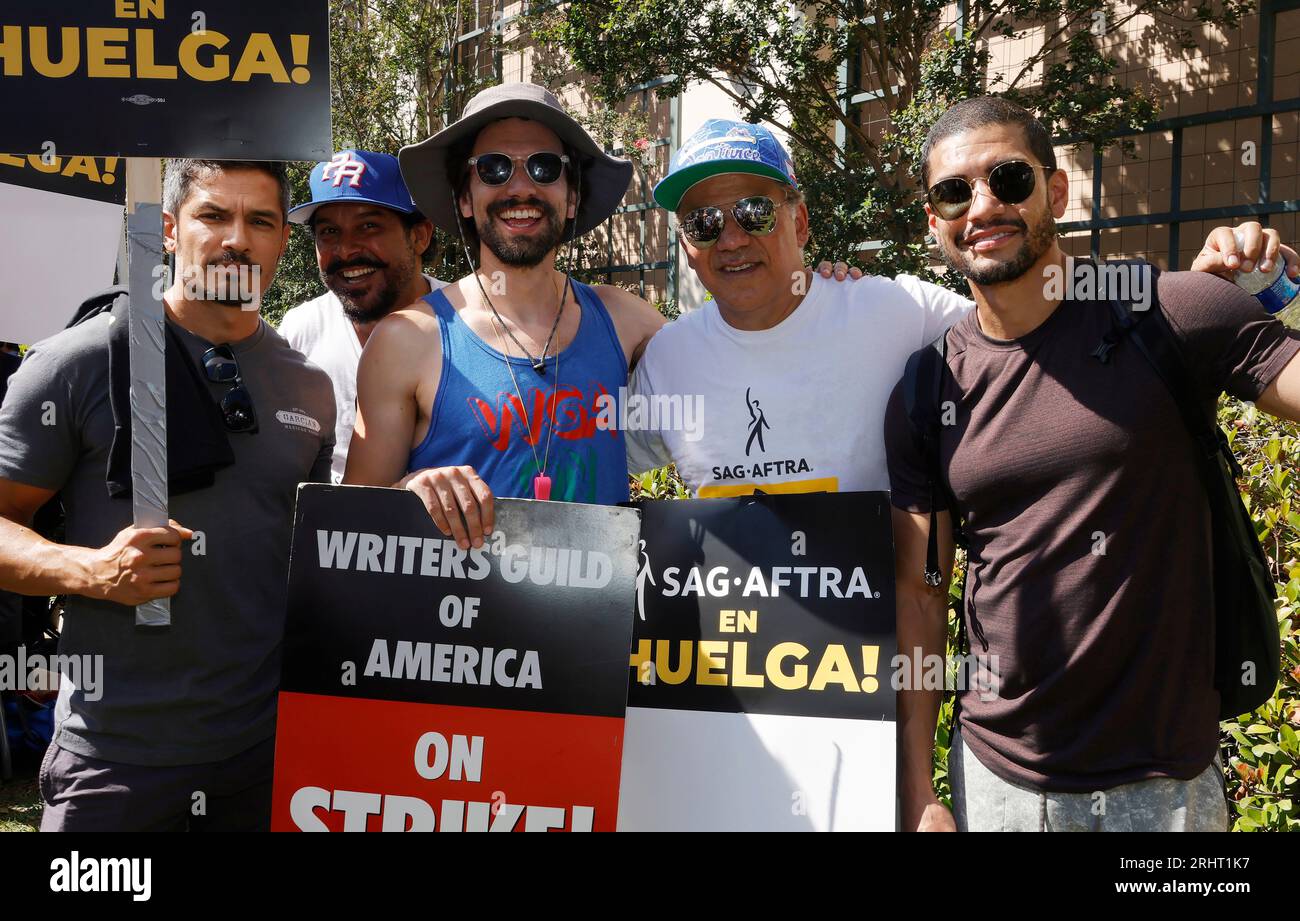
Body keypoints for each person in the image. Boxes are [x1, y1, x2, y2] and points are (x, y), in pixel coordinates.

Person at [884, 95, 1300, 832]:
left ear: (1057, 190)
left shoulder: (1169, 311)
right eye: (954, 191)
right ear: (934, 221)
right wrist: (918, 787)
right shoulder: (926, 387)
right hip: (997, 783)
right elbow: (923, 596)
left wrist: (1284, 298)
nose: (982, 205)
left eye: (1008, 178)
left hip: (1164, 790)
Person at [0, 159, 335, 831]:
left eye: (260, 220)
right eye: (214, 215)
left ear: (282, 243)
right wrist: (89, 570)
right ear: (169, 229)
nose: (237, 238)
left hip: (263, 755)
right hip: (115, 759)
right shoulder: (81, 360)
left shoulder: (309, 385)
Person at [344, 82, 665, 546]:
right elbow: (350, 523)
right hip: (461, 611)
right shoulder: (408, 339)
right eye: (493, 169)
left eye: (545, 167)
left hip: (598, 611)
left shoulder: (627, 321)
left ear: (571, 197)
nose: (520, 187)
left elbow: (731, 365)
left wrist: (803, 297)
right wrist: (407, 492)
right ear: (465, 200)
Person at [279, 150, 447, 482]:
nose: (345, 250)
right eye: (328, 232)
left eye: (368, 226)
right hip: (335, 530)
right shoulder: (300, 333)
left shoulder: (466, 325)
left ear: (420, 235)